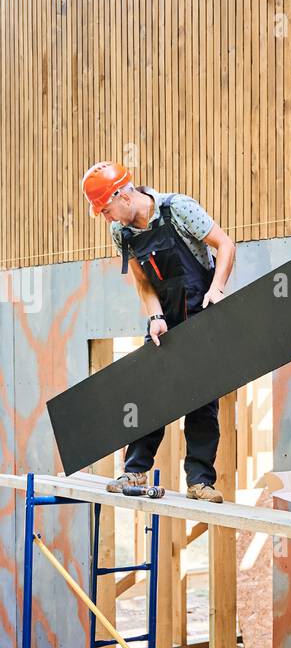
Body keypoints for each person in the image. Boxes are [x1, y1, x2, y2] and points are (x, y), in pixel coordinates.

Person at [81, 162, 236, 502]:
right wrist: (154, 317)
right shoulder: (120, 231)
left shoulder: (177, 208)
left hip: (201, 307)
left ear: (123, 195)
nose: (106, 217)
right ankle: (135, 471)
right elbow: (142, 279)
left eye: (106, 209)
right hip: (164, 314)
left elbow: (225, 244)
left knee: (202, 398)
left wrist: (218, 289)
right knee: (150, 391)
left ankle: (200, 482)